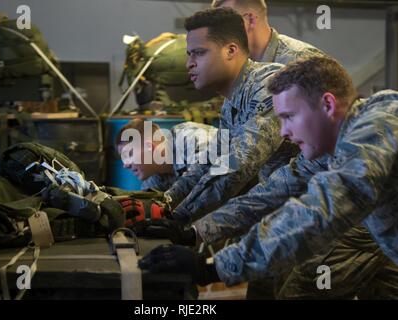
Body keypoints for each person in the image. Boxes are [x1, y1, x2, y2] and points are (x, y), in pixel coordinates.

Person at [139, 56, 398, 299]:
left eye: (288, 117)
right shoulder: (327, 153)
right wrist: (194, 232)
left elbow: (324, 206)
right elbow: (270, 194)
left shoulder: (380, 121)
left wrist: (214, 267)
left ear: (327, 105)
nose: (283, 132)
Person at [166, 0, 325, 223]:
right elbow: (214, 159)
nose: (188, 64)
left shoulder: (277, 79)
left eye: (199, 53)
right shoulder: (232, 101)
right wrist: (164, 203)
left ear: (232, 49)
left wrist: (179, 218)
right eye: (189, 54)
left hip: (324, 212)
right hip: (288, 205)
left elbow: (237, 164)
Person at [116, 118, 218, 192]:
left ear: (149, 147)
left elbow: (206, 179)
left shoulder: (191, 138)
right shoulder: (155, 176)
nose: (126, 165)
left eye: (129, 154)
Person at [211, 0, 322, 64]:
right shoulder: (239, 64)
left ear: (251, 20)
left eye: (225, 24)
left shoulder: (303, 60)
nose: (220, 33)